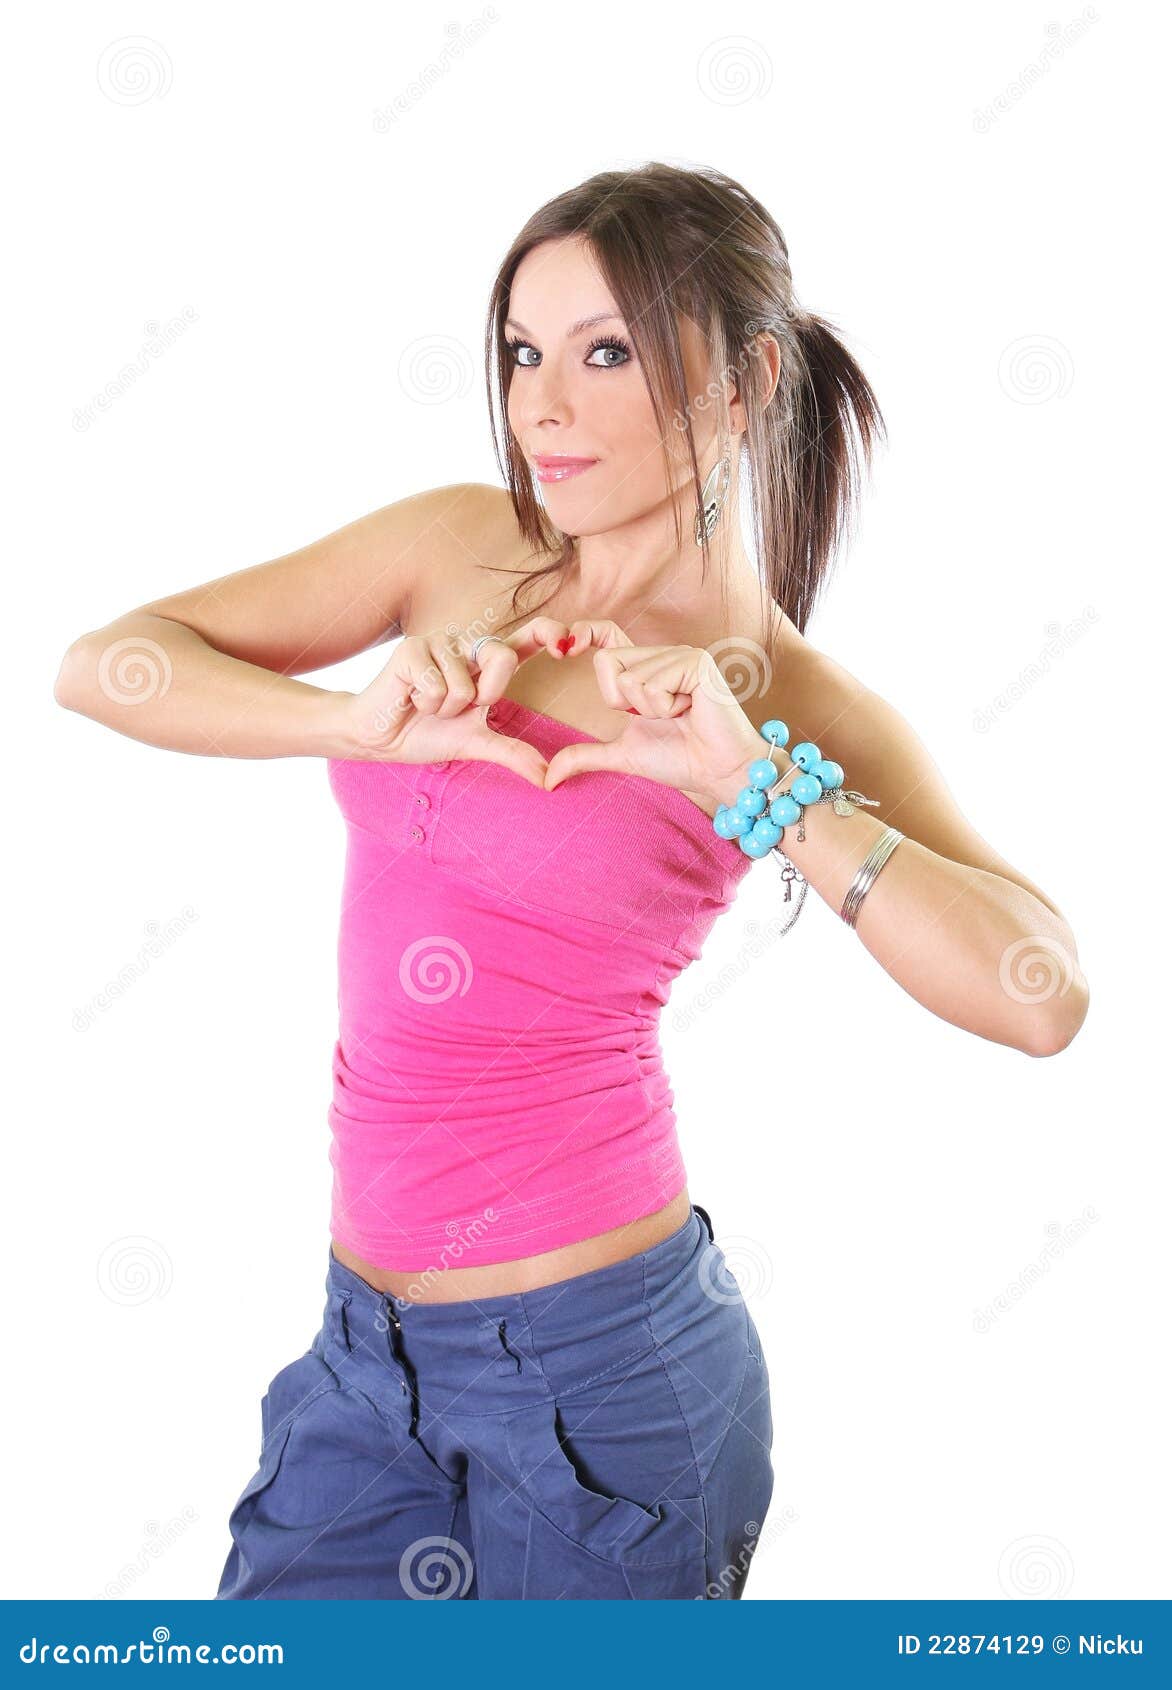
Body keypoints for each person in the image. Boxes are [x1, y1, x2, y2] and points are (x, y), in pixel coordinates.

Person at [53, 162, 1089, 1600]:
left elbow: (1038, 991)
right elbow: (105, 663)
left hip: (609, 1386)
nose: (543, 402)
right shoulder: (453, 548)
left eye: (604, 351)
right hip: (364, 1362)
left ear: (744, 385)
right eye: (523, 352)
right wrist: (343, 719)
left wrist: (759, 787)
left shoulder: (784, 696)